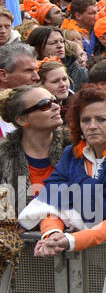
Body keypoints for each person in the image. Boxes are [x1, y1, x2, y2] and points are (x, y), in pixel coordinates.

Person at [21, 84, 106, 256]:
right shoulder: (71, 156)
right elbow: (52, 202)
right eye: (86, 120)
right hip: (80, 259)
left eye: (101, 119)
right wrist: (52, 234)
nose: (92, 126)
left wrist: (73, 240)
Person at [0, 85, 67, 220]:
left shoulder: (75, 147)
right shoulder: (4, 157)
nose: (56, 106)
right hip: (18, 239)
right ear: (22, 119)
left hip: (68, 237)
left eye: (54, 100)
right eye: (45, 105)